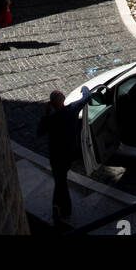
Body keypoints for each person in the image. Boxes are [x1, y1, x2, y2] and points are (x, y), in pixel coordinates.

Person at [37, 90, 90, 226]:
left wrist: (46, 113)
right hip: (70, 153)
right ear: (64, 99)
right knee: (60, 180)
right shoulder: (71, 109)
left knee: (60, 181)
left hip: (56, 156)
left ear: (51, 103)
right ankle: (58, 206)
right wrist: (84, 88)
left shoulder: (50, 120)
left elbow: (40, 132)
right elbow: (86, 98)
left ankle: (63, 209)